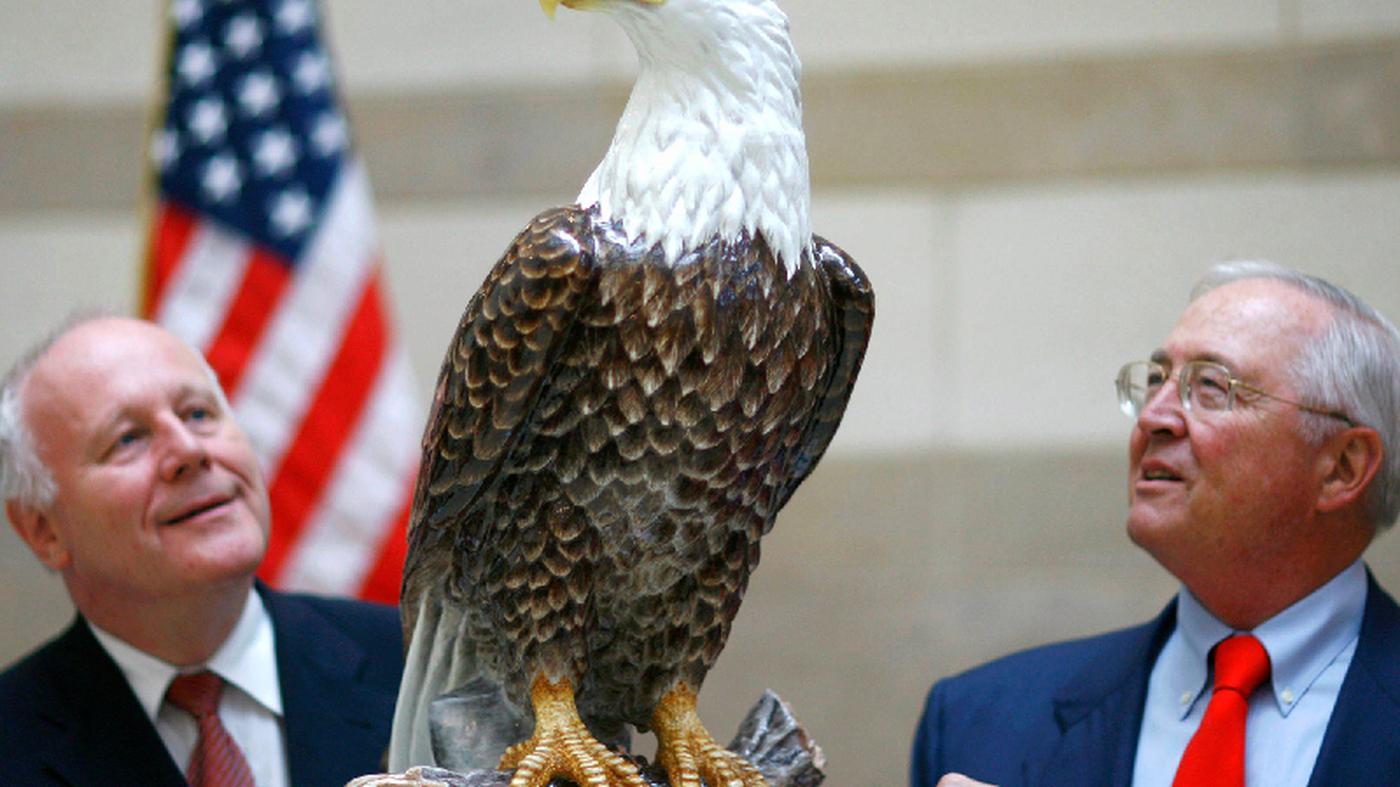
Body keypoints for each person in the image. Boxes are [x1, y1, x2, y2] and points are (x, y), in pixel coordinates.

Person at [910, 261, 1400, 787]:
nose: (1153, 417)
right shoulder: (978, 723)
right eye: (1155, 380)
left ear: (1342, 467)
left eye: (1211, 386)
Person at [0, 315, 405, 787]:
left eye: (198, 413)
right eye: (128, 438)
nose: (189, 450)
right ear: (43, 530)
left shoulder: (414, 668)